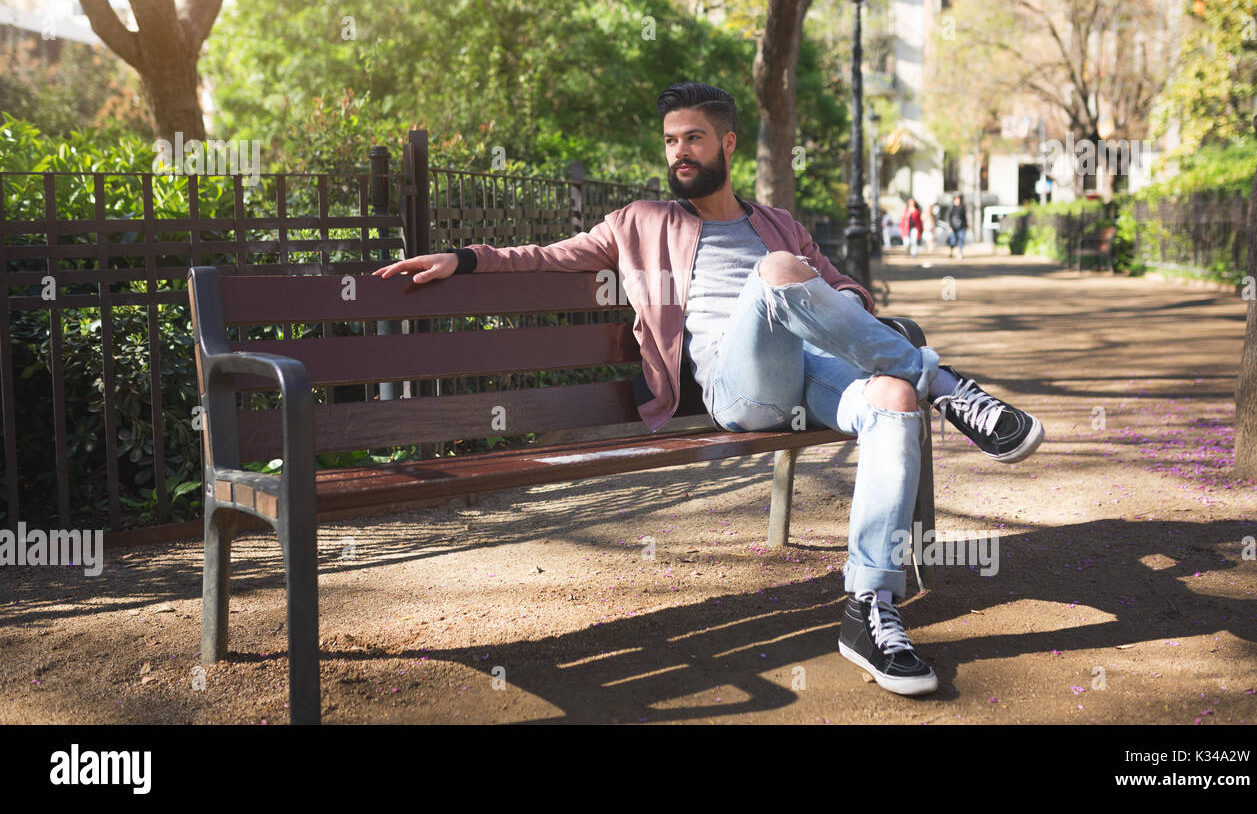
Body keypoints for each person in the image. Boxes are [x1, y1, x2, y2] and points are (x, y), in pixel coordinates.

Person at [375, 82, 1045, 697]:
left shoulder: (778, 222)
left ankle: (868, 609)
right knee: (787, 276)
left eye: (692, 137)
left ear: (726, 143)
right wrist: (463, 258)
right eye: (669, 140)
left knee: (893, 399)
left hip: (813, 375)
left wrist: (843, 297)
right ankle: (947, 384)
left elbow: (842, 286)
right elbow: (549, 255)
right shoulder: (638, 221)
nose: (679, 152)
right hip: (742, 390)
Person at [947, 193, 969, 259]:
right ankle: (951, 251)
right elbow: (949, 217)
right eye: (956, 199)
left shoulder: (962, 207)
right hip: (953, 227)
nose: (957, 201)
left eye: (958, 199)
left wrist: (966, 226)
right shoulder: (951, 208)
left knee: (961, 239)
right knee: (953, 240)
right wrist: (950, 226)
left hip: (961, 226)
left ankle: (960, 252)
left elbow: (964, 217)